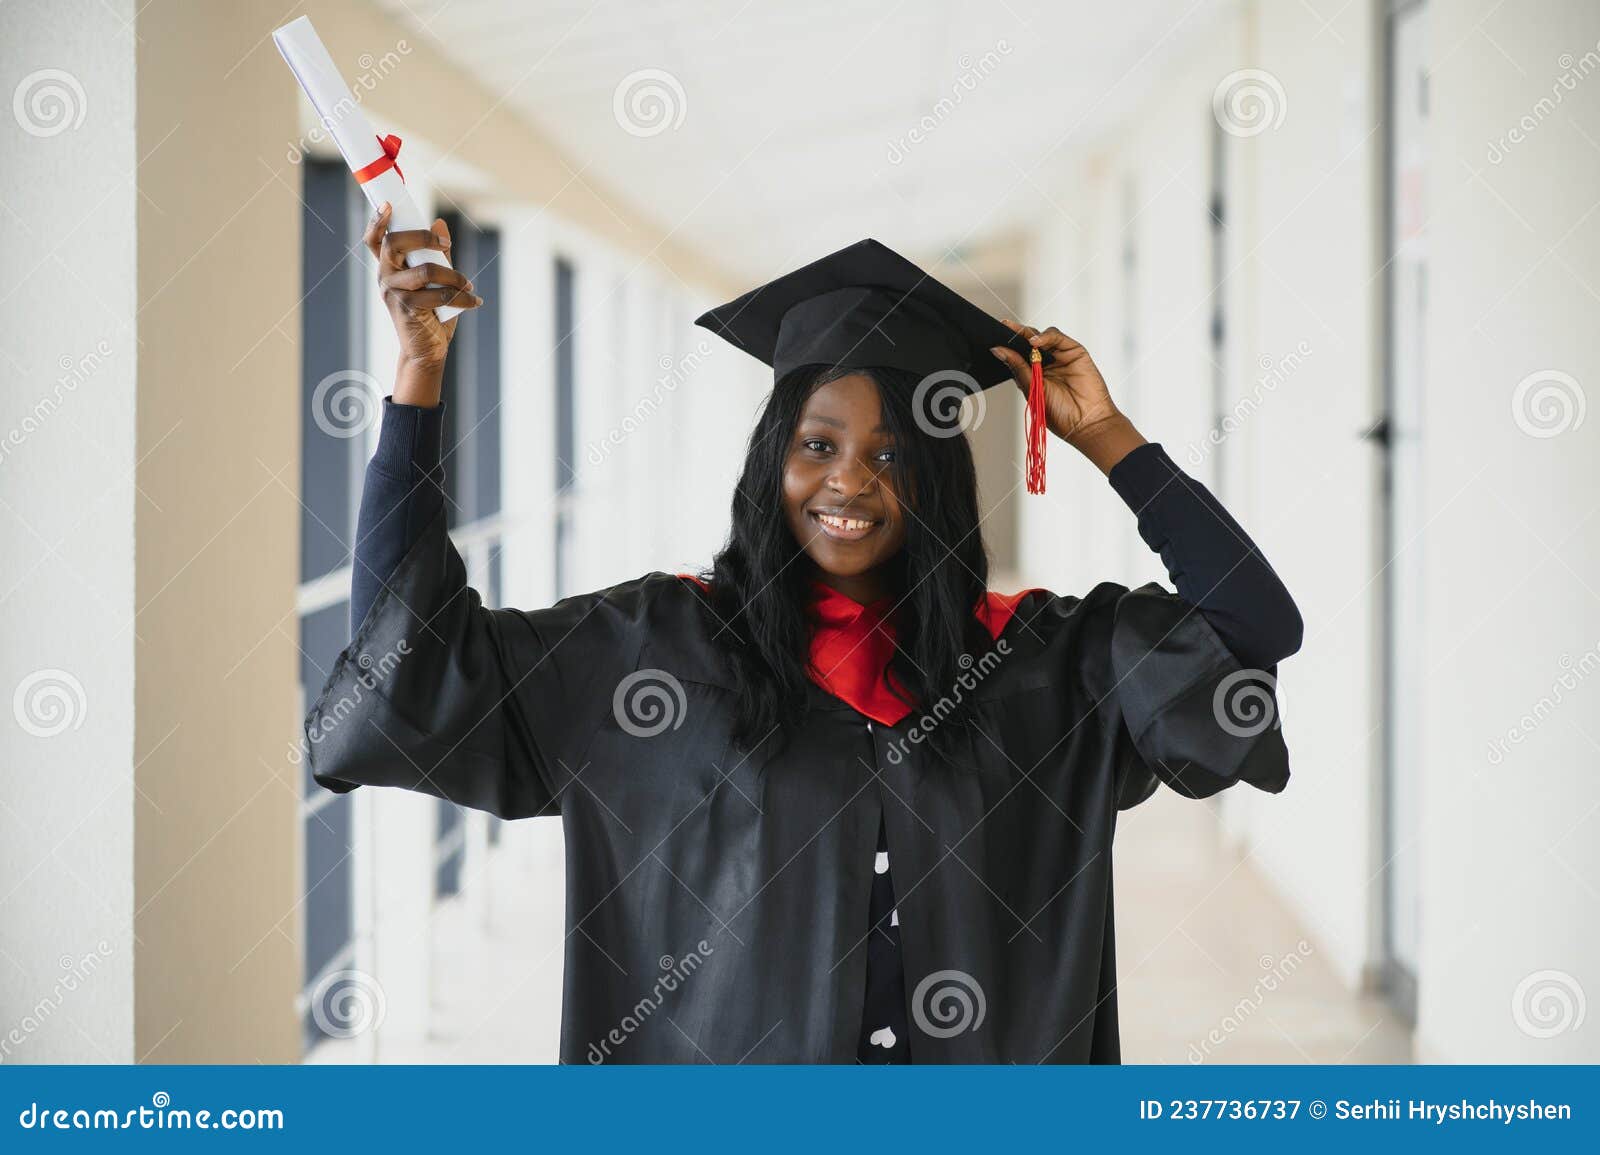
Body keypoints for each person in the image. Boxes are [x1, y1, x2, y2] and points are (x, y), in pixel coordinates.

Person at [304, 206, 1304, 1065]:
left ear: (938, 480)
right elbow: (410, 667)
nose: (848, 481)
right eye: (816, 445)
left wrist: (1109, 440)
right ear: (769, 463)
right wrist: (418, 382)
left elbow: (1251, 629)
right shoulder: (654, 649)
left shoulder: (1044, 663)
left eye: (891, 453)